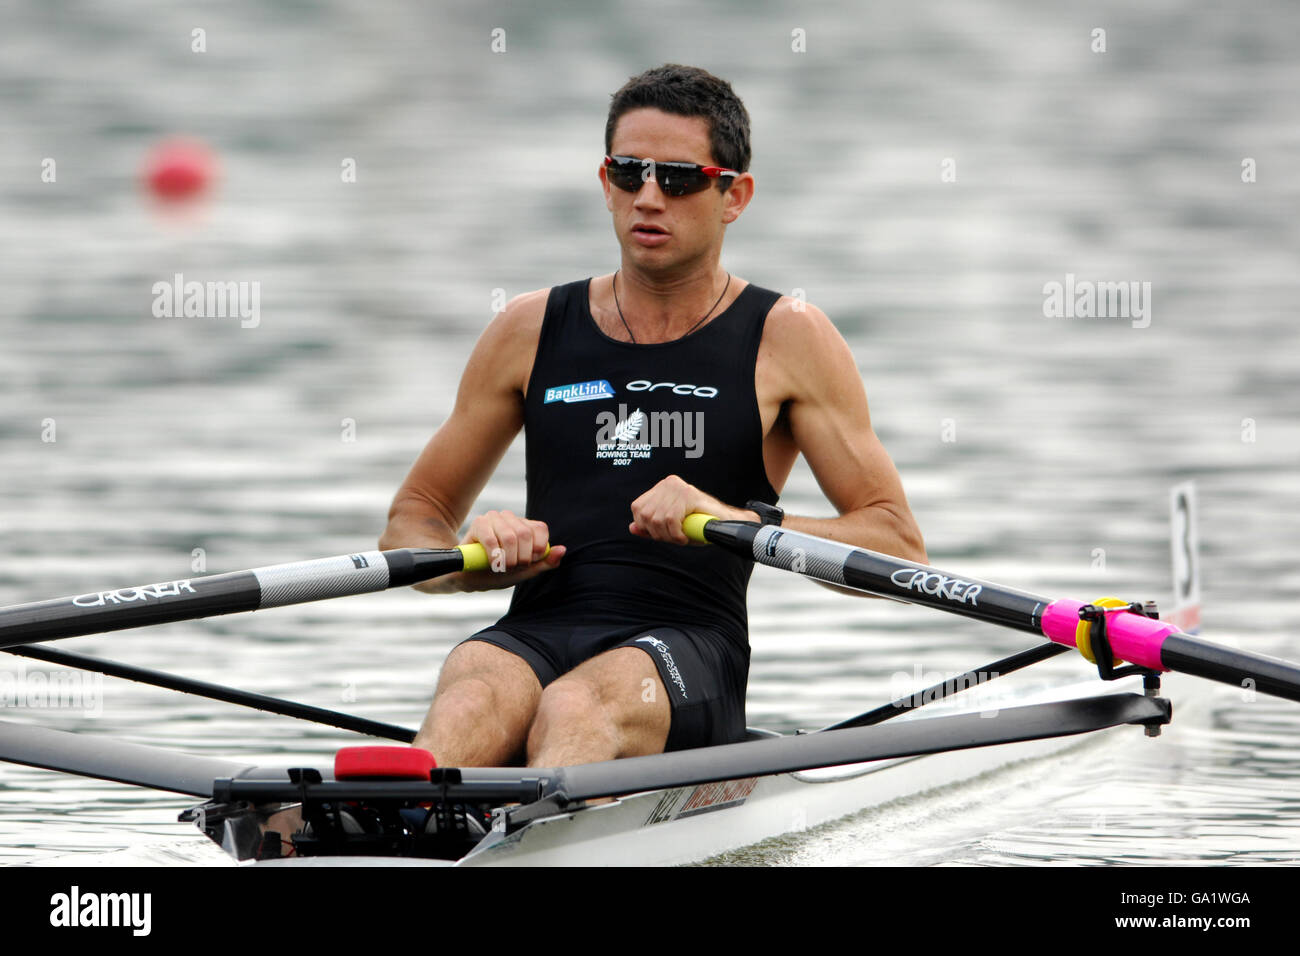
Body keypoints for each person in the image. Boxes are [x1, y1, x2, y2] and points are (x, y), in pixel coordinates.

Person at [380, 63, 926, 771]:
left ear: (734, 195)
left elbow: (899, 549)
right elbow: (412, 522)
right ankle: (395, 820)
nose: (647, 197)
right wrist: (473, 561)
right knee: (470, 698)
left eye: (678, 178)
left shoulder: (789, 336)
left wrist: (738, 522)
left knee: (575, 708)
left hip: (688, 646)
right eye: (628, 172)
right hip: (537, 627)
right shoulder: (527, 328)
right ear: (605, 182)